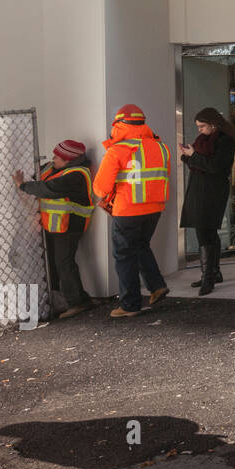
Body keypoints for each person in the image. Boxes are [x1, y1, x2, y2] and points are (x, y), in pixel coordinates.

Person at [93, 104, 171, 317]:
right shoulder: (161, 147)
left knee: (124, 255)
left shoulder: (117, 150)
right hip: (155, 209)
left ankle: (130, 305)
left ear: (118, 125)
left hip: (127, 210)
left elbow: (101, 187)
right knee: (141, 246)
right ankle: (156, 286)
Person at [14, 139, 96, 319]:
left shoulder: (77, 175)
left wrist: (23, 185)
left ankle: (77, 303)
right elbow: (38, 176)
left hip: (70, 226)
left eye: (57, 157)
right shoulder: (53, 167)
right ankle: (63, 299)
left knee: (63, 263)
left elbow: (49, 188)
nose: (52, 159)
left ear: (68, 160)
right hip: (53, 224)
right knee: (53, 263)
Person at [179, 107, 235, 296]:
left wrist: (193, 156)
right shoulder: (203, 141)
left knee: (205, 231)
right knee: (207, 231)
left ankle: (208, 278)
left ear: (213, 124)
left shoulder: (225, 141)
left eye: (202, 126)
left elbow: (215, 167)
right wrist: (188, 156)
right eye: (198, 126)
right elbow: (201, 164)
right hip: (199, 189)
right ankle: (213, 273)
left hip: (213, 191)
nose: (200, 130)